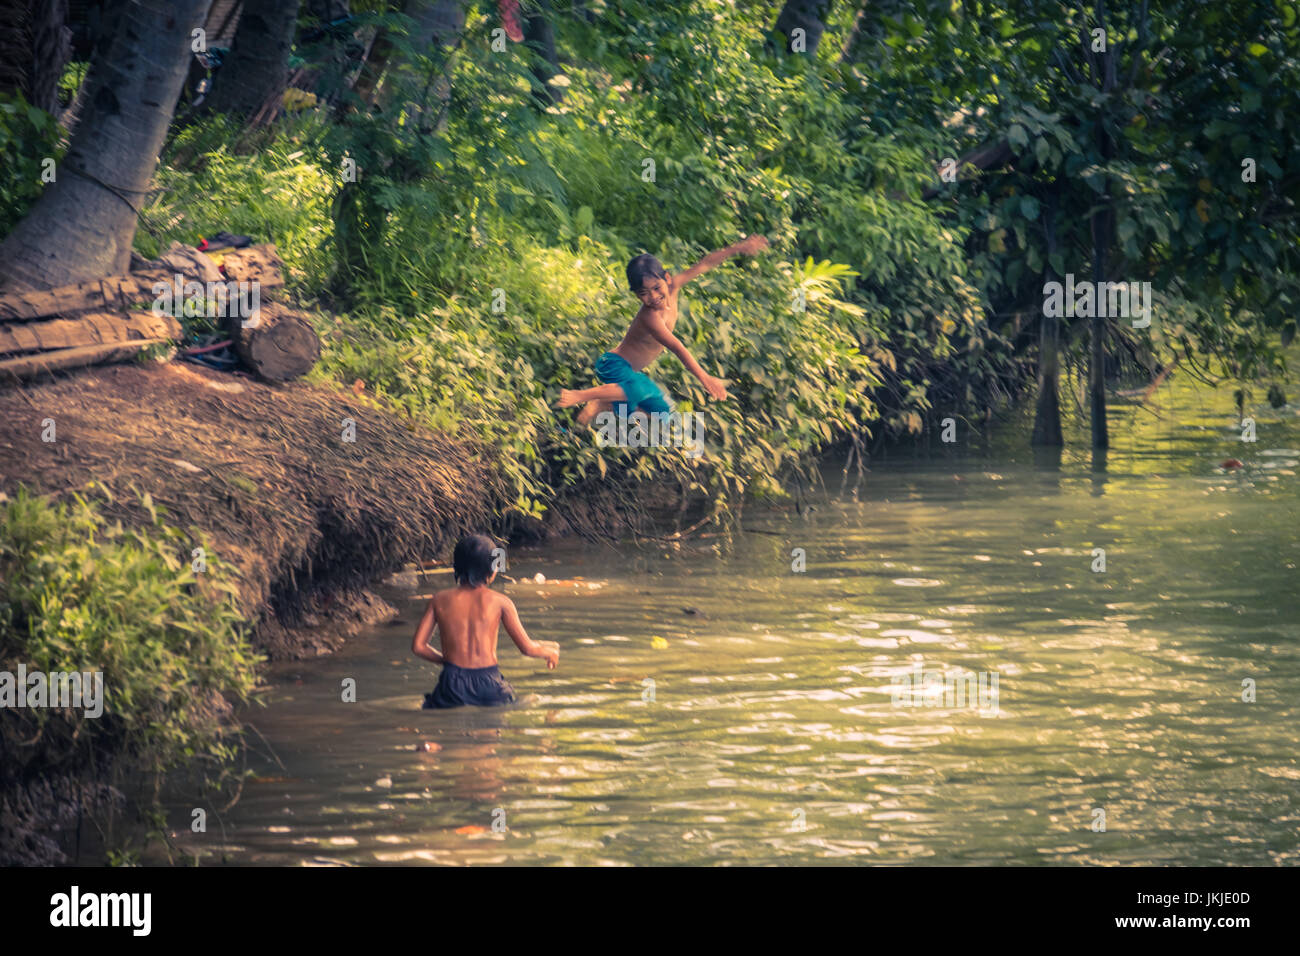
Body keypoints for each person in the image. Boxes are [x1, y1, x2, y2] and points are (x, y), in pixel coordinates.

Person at [555, 235, 770, 425]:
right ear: (637, 295)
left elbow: (705, 264)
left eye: (657, 288)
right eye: (643, 293)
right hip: (613, 365)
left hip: (627, 375)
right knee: (639, 386)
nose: (653, 297)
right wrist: (705, 378)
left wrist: (739, 248)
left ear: (667, 279)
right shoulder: (650, 317)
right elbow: (677, 347)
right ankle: (580, 395)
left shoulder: (675, 285)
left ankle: (591, 414)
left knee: (663, 413)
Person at [411, 534, 559, 708]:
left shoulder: (438, 600)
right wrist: (550, 652)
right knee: (521, 706)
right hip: (489, 684)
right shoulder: (501, 602)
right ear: (492, 570)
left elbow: (418, 647)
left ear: (456, 566)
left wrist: (448, 662)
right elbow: (527, 649)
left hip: (451, 684)